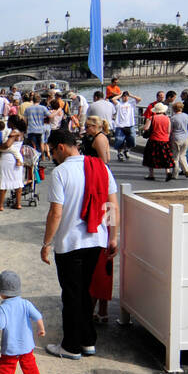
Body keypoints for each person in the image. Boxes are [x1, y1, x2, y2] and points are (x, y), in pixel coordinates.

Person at [40, 128, 118, 359]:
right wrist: (113, 236)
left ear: (61, 147)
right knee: (86, 293)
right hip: (97, 239)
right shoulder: (101, 167)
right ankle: (87, 341)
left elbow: (56, 212)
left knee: (72, 295)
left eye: (52, 151)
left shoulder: (61, 173)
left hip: (70, 243)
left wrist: (46, 243)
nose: (52, 156)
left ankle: (71, 346)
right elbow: (111, 205)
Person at [0, 270, 44, 374]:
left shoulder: (3, 308)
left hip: (10, 347)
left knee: (7, 366)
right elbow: (38, 316)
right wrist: (41, 329)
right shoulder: (26, 303)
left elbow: (0, 324)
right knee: (29, 362)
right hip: (26, 344)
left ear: (1, 293)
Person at [0, 120, 24, 211]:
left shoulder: (14, 132)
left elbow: (7, 144)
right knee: (18, 181)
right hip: (16, 158)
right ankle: (18, 203)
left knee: (3, 181)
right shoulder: (21, 132)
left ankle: (0, 205)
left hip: (7, 159)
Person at [141, 103, 175, 182]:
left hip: (154, 139)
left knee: (151, 157)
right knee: (166, 157)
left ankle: (151, 174)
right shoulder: (167, 118)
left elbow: (146, 128)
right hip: (164, 140)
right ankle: (168, 172)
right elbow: (169, 130)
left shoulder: (152, 118)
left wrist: (141, 128)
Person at [169, 100, 188, 178]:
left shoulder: (173, 118)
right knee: (182, 155)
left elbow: (170, 130)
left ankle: (175, 174)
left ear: (174, 109)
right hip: (186, 137)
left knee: (175, 157)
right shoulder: (187, 116)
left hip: (176, 138)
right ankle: (187, 170)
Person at [112, 92, 137, 161]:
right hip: (120, 125)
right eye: (124, 96)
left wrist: (131, 95)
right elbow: (113, 99)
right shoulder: (119, 104)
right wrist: (120, 94)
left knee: (133, 140)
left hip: (130, 125)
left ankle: (126, 150)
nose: (125, 97)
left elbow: (139, 99)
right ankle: (120, 153)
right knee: (119, 140)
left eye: (126, 96)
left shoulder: (131, 103)